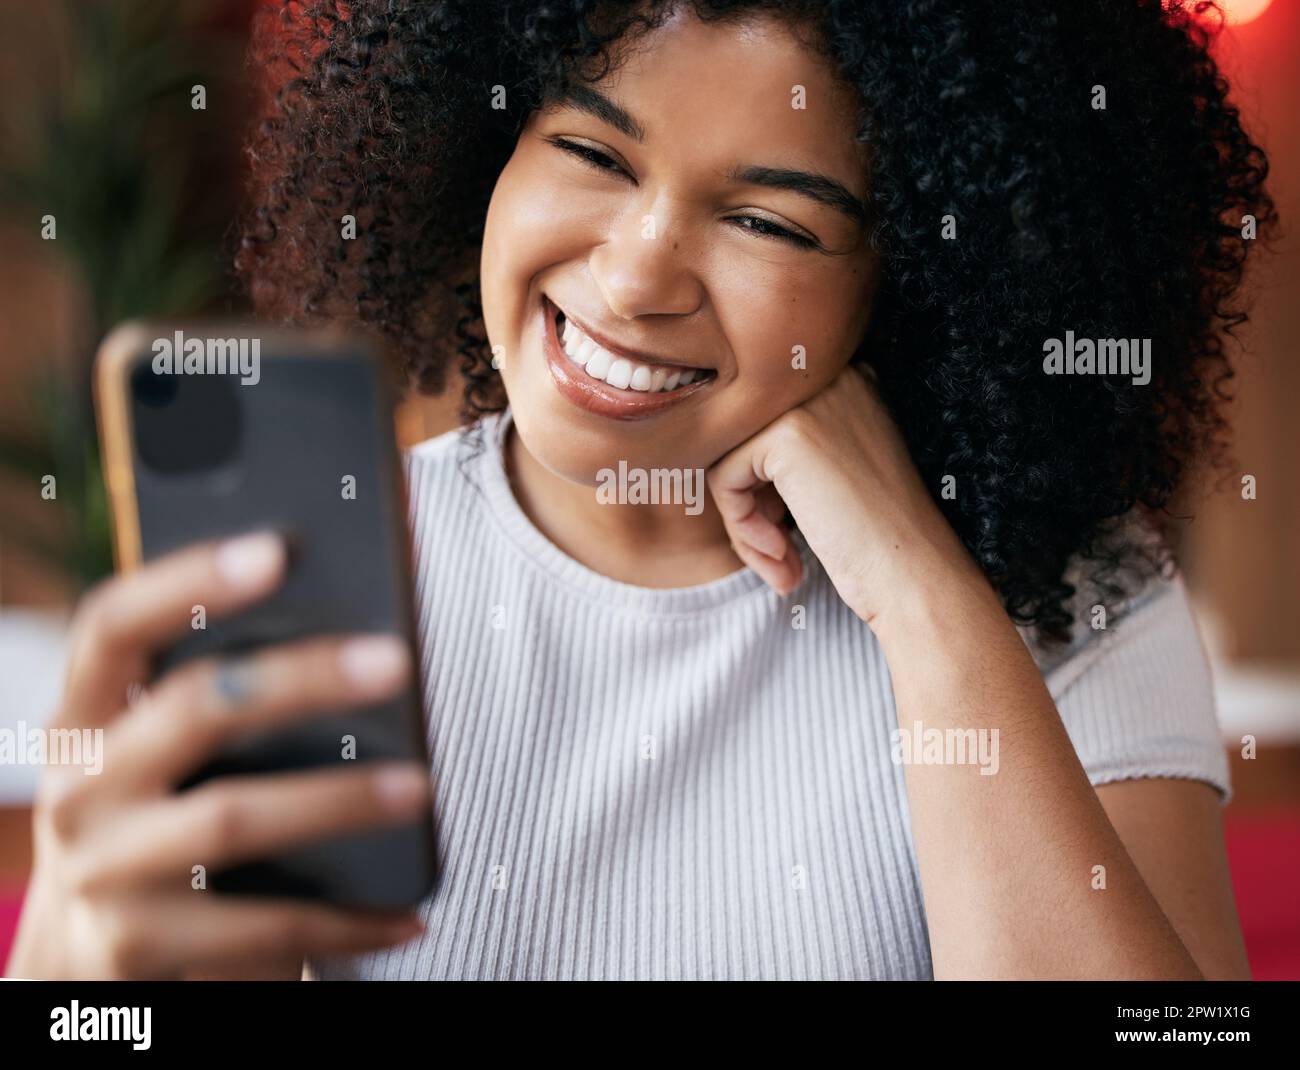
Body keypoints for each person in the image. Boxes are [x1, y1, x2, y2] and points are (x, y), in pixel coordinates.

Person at [8, 0, 1273, 980]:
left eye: (772, 221)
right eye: (590, 150)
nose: (634, 275)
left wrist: (924, 597)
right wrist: (70, 969)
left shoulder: (1070, 590)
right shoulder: (305, 572)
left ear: (923, 283)